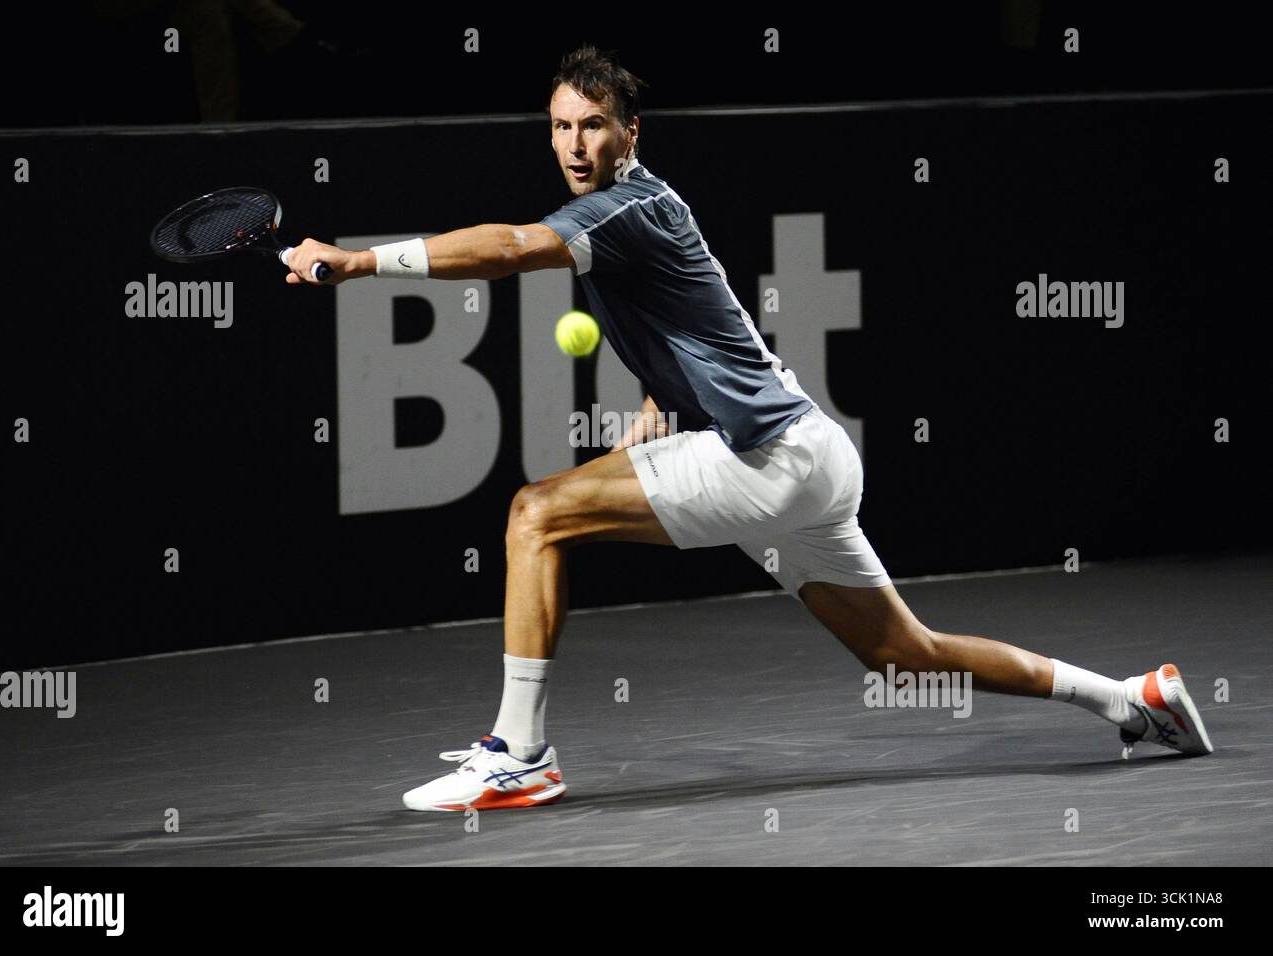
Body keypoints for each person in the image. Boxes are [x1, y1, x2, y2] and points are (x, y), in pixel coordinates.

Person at [282, 45, 1214, 812]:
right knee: (905, 657)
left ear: (628, 133)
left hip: (770, 459)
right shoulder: (632, 214)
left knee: (534, 514)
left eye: (592, 125)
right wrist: (653, 412)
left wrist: (361, 264)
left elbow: (514, 247)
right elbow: (689, 347)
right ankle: (1132, 701)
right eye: (561, 125)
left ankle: (519, 753)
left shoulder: (626, 207)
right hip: (812, 459)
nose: (573, 142)